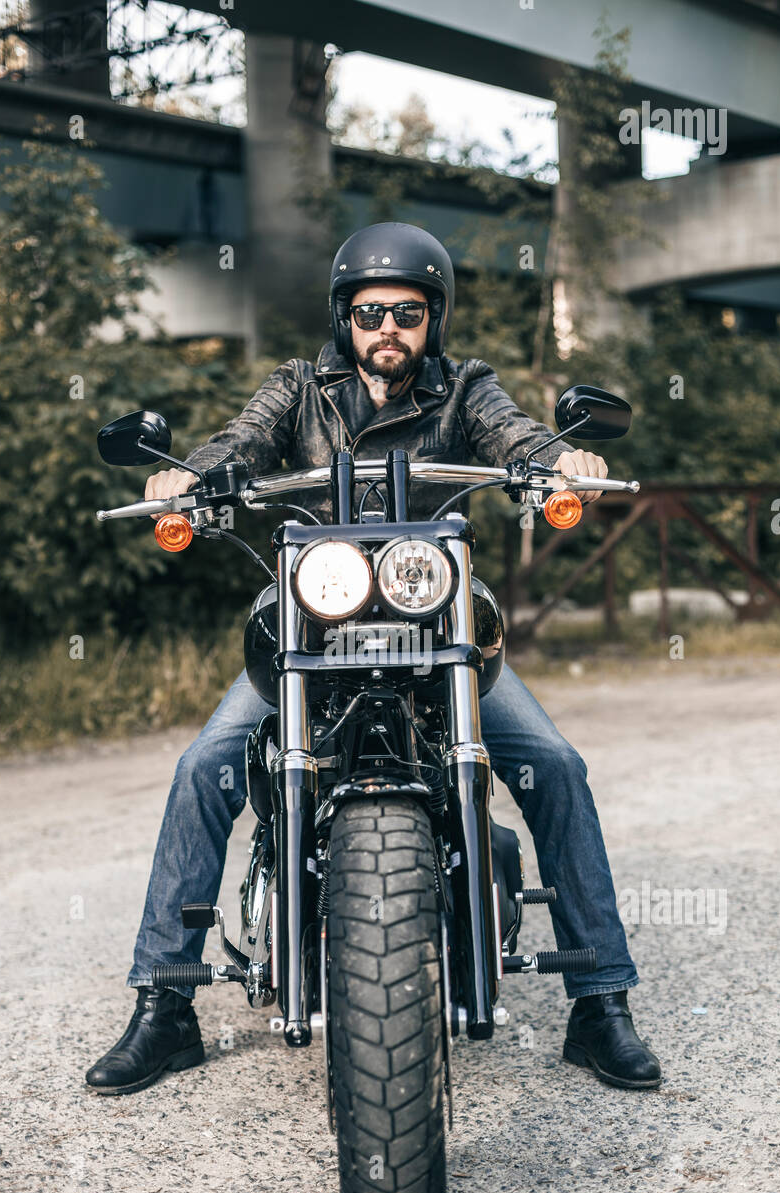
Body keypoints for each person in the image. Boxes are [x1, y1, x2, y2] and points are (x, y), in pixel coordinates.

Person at [86, 222, 660, 1097]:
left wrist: (557, 460)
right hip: (315, 621)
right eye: (369, 312)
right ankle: (164, 1005)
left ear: (433, 317)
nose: (386, 326)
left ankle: (601, 1002)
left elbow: (514, 437)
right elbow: (241, 441)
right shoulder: (298, 387)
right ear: (344, 318)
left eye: (406, 311)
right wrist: (193, 477)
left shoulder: (465, 387)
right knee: (205, 765)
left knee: (553, 763)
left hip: (438, 624)